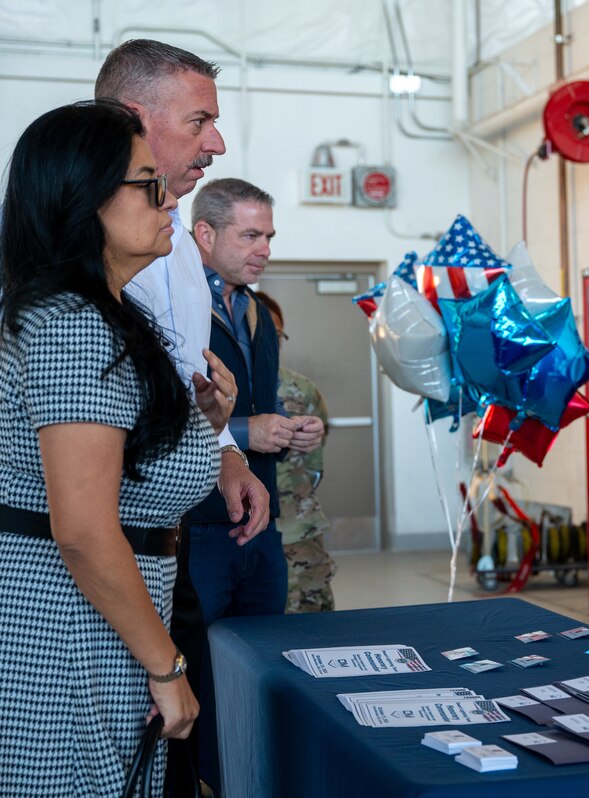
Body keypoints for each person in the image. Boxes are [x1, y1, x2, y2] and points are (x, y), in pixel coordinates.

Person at [0, 101, 218, 797]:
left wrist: (199, 426)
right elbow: (87, 531)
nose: (167, 203)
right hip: (68, 633)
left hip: (100, 624)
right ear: (85, 197)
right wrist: (167, 668)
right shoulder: (72, 326)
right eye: (147, 185)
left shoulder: (100, 313)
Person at [94, 40, 270, 794]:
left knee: (175, 758)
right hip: (107, 553)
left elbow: (188, 384)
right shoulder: (80, 279)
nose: (218, 142)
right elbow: (81, 510)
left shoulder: (179, 256)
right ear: (138, 119)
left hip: (169, 544)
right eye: (201, 121)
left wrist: (225, 452)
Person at [187, 178, 324, 788]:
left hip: (259, 526)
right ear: (205, 234)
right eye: (251, 234)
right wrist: (246, 430)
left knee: (261, 663)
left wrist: (290, 432)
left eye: (269, 235)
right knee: (200, 674)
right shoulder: (176, 304)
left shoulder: (255, 315)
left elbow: (258, 411)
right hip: (199, 525)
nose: (265, 247)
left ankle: (250, 776)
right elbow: (160, 414)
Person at [256, 291, 337, 613]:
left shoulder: (301, 390)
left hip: (296, 529)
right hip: (233, 533)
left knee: (311, 620)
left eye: (275, 335)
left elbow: (315, 464)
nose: (268, 343)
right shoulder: (214, 389)